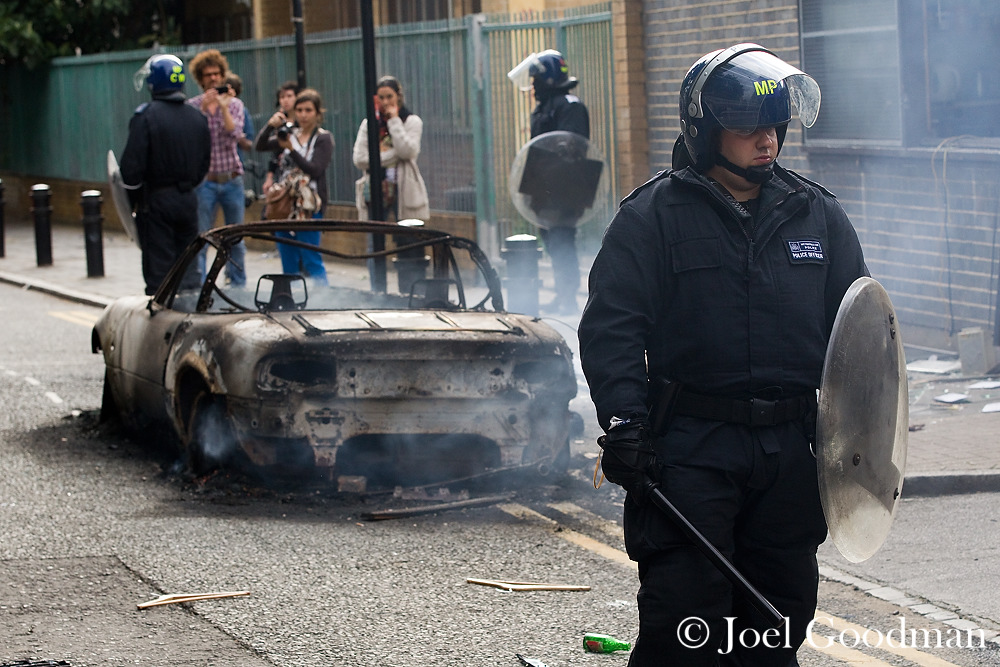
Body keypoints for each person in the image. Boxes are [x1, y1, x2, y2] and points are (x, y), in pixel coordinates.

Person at [578, 43, 869, 666]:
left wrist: (859, 443)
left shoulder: (817, 215)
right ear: (707, 131)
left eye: (774, 126)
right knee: (684, 619)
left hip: (791, 451)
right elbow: (612, 329)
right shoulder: (651, 218)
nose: (767, 141)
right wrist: (625, 424)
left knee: (775, 622)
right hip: (691, 450)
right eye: (747, 128)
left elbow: (861, 340)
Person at [119, 54, 210, 296]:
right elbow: (204, 164)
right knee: (189, 265)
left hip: (157, 202)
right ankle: (190, 316)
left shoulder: (146, 116)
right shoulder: (197, 118)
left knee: (160, 269)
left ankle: (160, 322)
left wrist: (135, 202)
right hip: (188, 200)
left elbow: (131, 169)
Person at [510, 49, 590, 315]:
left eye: (535, 80)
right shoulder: (546, 107)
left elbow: (572, 147)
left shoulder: (570, 105)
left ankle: (569, 297)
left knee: (563, 239)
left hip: (564, 189)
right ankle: (562, 293)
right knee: (552, 239)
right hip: (545, 187)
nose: (533, 85)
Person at [256, 88, 332, 285]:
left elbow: (314, 169)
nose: (303, 115)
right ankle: (290, 299)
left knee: (311, 258)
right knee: (288, 259)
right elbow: (260, 146)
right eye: (299, 110)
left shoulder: (322, 138)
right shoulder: (290, 134)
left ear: (317, 113)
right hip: (285, 206)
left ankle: (324, 301)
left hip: (308, 206)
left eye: (308, 110)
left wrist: (292, 150)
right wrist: (269, 126)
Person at [186, 49, 247, 286]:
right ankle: (201, 285)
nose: (212, 79)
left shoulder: (234, 105)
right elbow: (190, 138)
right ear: (200, 79)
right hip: (205, 182)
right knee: (202, 237)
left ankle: (237, 282)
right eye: (207, 75)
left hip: (231, 179)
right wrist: (204, 109)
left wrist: (222, 107)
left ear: (223, 76)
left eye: (216, 74)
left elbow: (235, 134)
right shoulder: (193, 107)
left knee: (236, 238)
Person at [352, 75, 429, 222]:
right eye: (381, 97)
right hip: (375, 187)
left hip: (404, 188)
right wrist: (395, 155)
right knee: (374, 237)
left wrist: (394, 121)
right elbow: (359, 159)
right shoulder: (369, 124)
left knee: (407, 237)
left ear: (398, 96)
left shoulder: (412, 121)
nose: (385, 102)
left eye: (389, 97)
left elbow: (408, 151)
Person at [260, 81, 299, 197]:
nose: (285, 100)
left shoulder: (303, 121)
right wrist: (269, 177)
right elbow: (275, 152)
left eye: (289, 96)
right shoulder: (280, 122)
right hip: (282, 173)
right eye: (282, 97)